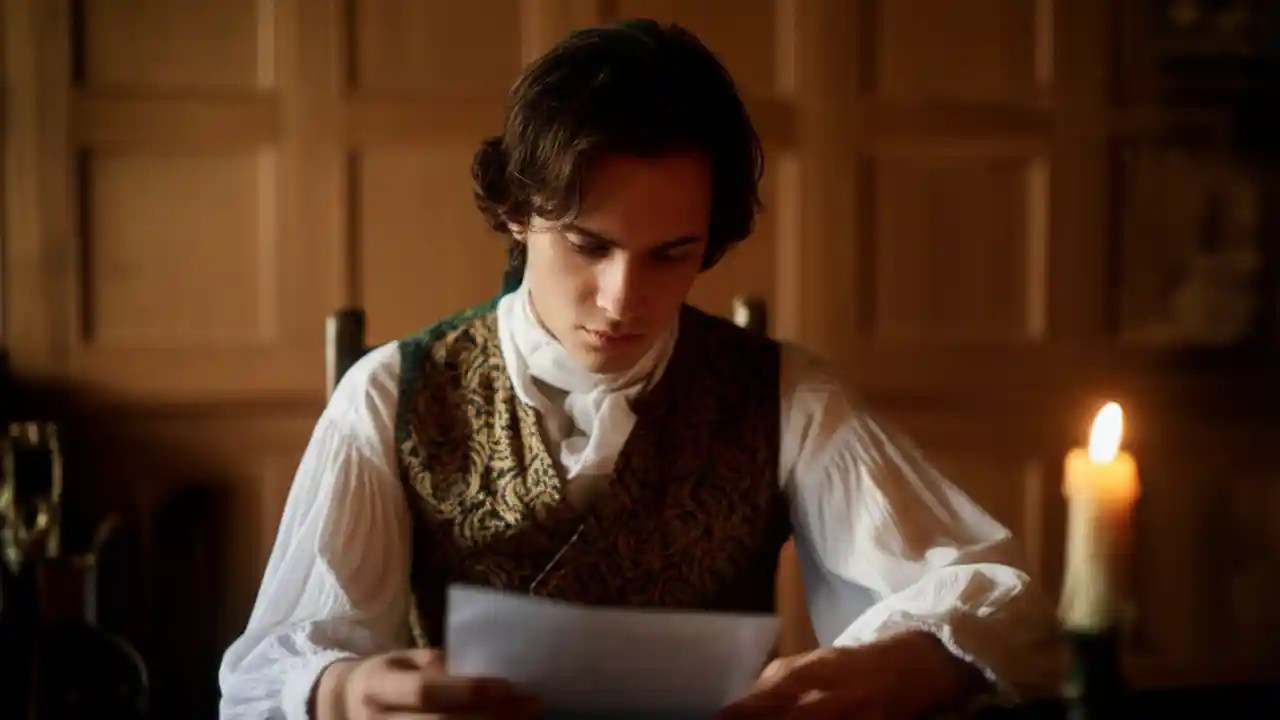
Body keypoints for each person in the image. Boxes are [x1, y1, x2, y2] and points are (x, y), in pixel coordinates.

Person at [219, 19, 1064, 720]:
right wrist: (341, 691)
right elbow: (263, 675)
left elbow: (1003, 602)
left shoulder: (789, 395)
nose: (624, 299)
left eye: (673, 253)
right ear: (518, 211)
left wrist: (900, 668)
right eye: (588, 245)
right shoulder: (389, 393)